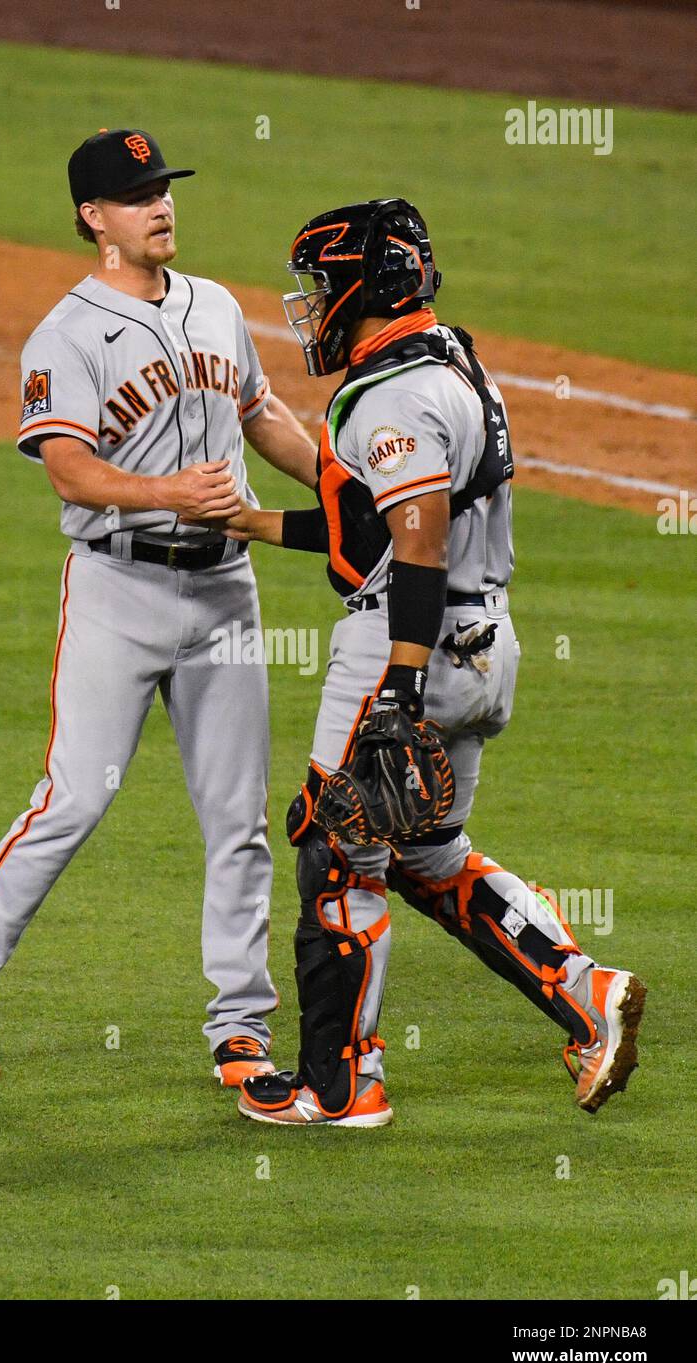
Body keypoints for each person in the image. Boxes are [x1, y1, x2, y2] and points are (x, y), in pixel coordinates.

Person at [0, 127, 316, 1087]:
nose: (161, 207)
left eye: (165, 189)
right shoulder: (65, 335)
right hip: (118, 591)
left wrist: (334, 478)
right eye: (138, 197)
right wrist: (169, 491)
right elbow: (70, 467)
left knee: (239, 819)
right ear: (96, 218)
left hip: (225, 591)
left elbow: (263, 414)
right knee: (75, 798)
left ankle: (241, 1029)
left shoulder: (216, 306)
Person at [224, 198, 646, 1126]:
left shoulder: (399, 393)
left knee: (337, 855)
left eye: (322, 283)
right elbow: (385, 528)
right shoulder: (449, 363)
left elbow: (414, 546)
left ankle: (340, 1089)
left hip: (406, 647)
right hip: (483, 642)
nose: (314, 301)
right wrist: (256, 522)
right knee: (424, 852)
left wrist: (400, 691)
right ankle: (584, 990)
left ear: (363, 286)